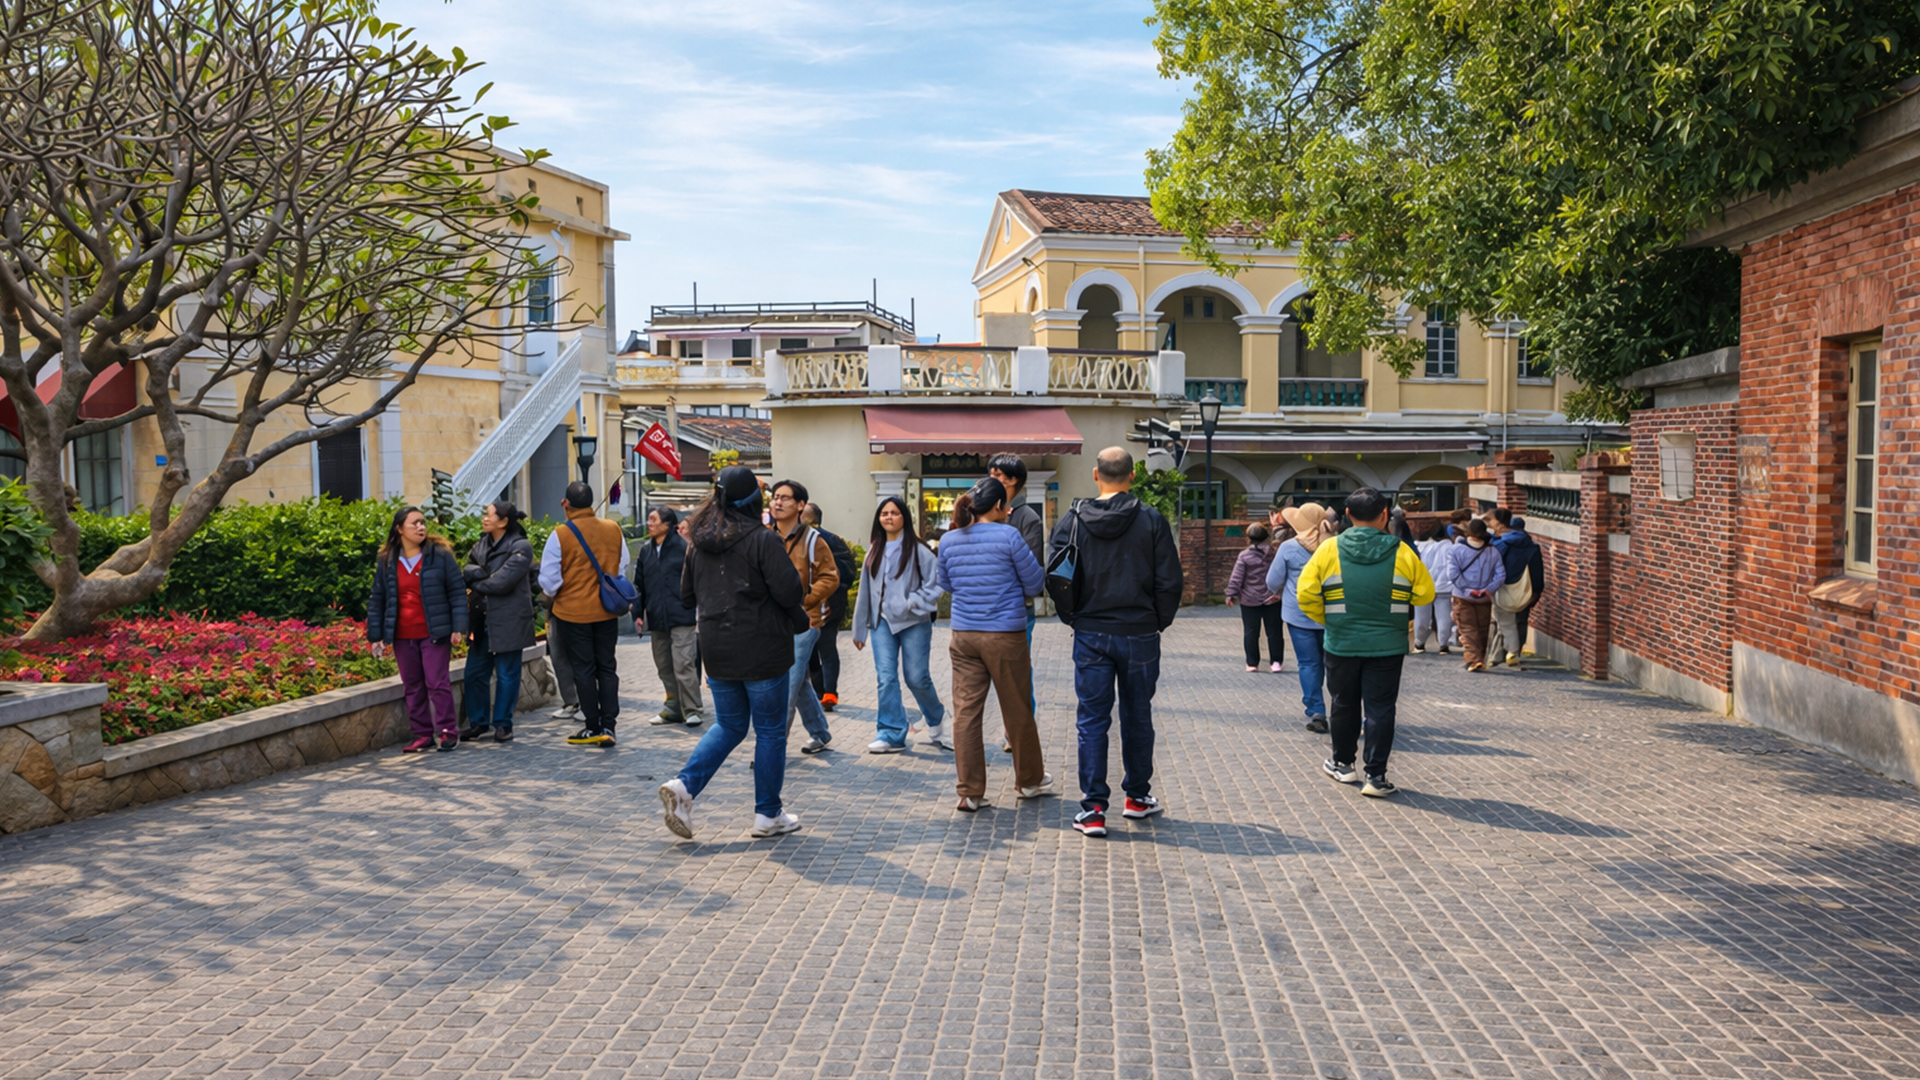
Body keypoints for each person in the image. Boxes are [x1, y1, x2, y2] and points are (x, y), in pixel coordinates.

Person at [657, 466, 809, 839]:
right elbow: (789, 592)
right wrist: (798, 620)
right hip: (763, 647)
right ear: (754, 499)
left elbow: (688, 595)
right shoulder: (763, 539)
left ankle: (684, 786)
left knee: (729, 725)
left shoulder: (699, 542)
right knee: (771, 731)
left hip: (717, 647)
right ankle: (768, 814)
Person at [1050, 447, 1182, 837]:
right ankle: (1137, 797)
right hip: (1139, 630)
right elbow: (1169, 580)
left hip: (1090, 632)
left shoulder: (1072, 520)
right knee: (1138, 715)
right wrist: (1157, 621)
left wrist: (1072, 616)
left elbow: (1056, 575)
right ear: (1132, 476)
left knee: (1092, 719)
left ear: (1096, 475)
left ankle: (1092, 810)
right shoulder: (1151, 520)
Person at [1297, 487, 1436, 798]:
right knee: (1381, 709)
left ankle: (1343, 765)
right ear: (1385, 515)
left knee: (1343, 704)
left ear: (1347, 516)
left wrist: (1330, 620)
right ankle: (1376, 776)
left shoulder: (1328, 549)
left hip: (1341, 642)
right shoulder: (1401, 552)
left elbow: (1305, 594)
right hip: (1388, 645)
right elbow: (1425, 593)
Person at [936, 475, 1051, 811]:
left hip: (964, 636)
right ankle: (1029, 781)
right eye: (1006, 504)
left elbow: (947, 582)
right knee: (1017, 708)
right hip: (1005, 634)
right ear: (999, 506)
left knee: (966, 714)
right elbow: (1034, 582)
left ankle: (970, 792)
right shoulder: (1009, 535)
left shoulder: (949, 540)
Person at [537, 481, 631, 748]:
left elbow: (550, 581)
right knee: (607, 667)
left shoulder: (561, 534)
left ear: (565, 504)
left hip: (573, 614)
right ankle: (610, 725)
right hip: (606, 611)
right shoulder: (613, 529)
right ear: (591, 503)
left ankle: (592, 725)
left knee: (584, 669)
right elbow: (622, 566)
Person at [367, 506, 467, 752]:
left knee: (437, 682)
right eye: (414, 523)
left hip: (434, 632)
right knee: (412, 685)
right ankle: (422, 734)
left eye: (423, 522)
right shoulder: (388, 559)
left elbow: (456, 591)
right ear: (399, 529)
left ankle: (447, 732)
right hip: (402, 636)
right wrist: (376, 636)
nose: (421, 527)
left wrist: (458, 627)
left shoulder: (440, 555)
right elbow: (378, 597)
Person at [850, 496, 946, 752]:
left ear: (904, 517)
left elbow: (937, 584)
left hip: (914, 623)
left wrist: (912, 602)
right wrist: (859, 628)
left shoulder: (919, 550)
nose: (888, 517)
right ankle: (891, 732)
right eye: (884, 513)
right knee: (886, 678)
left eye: (894, 513)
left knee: (917, 678)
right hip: (881, 624)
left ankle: (936, 717)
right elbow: (865, 593)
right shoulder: (874, 550)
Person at [768, 480, 840, 754]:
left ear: (800, 505)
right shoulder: (766, 536)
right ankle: (820, 732)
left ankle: (773, 748)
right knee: (798, 683)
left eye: (785, 498)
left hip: (806, 623)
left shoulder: (813, 540)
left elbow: (830, 577)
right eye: (775, 497)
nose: (778, 502)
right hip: (775, 623)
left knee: (786, 686)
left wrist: (804, 602)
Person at [459, 501, 535, 743]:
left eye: (488, 514)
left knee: (507, 674)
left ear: (503, 521)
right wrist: (478, 577)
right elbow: (467, 568)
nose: (484, 518)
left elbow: (501, 583)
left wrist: (477, 581)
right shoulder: (481, 544)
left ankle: (503, 724)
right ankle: (478, 722)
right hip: (482, 619)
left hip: (510, 620)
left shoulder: (521, 546)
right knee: (473, 674)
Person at [990, 453, 1045, 754]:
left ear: (1012, 481)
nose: (992, 480)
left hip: (1017, 610)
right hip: (986, 612)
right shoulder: (984, 513)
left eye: (997, 475)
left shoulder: (1027, 518)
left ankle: (1021, 732)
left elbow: (1034, 570)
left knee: (1019, 675)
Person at [1267, 502, 1331, 733]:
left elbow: (1272, 581)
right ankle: (1344, 708)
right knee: (1335, 664)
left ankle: (1317, 711)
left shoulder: (1288, 548)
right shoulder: (1334, 546)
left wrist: (1284, 592)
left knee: (1308, 663)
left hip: (1299, 613)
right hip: (1331, 615)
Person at [635, 506, 702, 726]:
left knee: (683, 664)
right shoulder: (646, 551)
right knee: (664, 664)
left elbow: (697, 580)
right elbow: (640, 585)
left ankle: (692, 709)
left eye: (654, 519)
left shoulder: (683, 548)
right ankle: (673, 707)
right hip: (656, 617)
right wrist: (638, 613)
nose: (649, 523)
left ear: (667, 524)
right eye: (649, 519)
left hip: (681, 615)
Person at [802, 504, 858, 712]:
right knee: (827, 646)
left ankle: (820, 691)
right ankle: (828, 693)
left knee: (812, 650)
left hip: (816, 604)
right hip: (834, 602)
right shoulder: (834, 540)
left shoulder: (807, 541)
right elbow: (849, 573)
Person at [1225, 523, 1285, 672]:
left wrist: (1231, 594)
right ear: (1266, 537)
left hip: (1249, 600)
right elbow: (1281, 573)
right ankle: (1276, 662)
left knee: (1251, 632)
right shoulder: (1274, 553)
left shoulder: (1244, 556)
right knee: (1275, 632)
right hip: (1273, 599)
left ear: (1249, 538)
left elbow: (1237, 577)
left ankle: (1252, 663)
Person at [1448, 518, 1506, 672]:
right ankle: (1479, 659)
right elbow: (1500, 575)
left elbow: (1453, 575)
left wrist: (1467, 590)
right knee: (1482, 630)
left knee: (1468, 630)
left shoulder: (1456, 550)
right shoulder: (1493, 551)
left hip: (1462, 597)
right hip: (1485, 598)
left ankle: (1474, 660)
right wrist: (1489, 589)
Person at [1492, 515, 1546, 668]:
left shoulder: (1500, 544)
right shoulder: (1532, 548)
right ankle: (1515, 653)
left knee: (1502, 622)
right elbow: (1537, 572)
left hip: (1503, 587)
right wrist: (1536, 591)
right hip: (1524, 589)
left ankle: (1500, 652)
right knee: (1521, 621)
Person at [1412, 522, 1457, 655]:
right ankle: (1443, 645)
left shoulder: (1421, 546)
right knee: (1444, 617)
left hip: (1423, 586)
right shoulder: (1451, 547)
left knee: (1421, 617)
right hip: (1444, 586)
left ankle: (1419, 643)